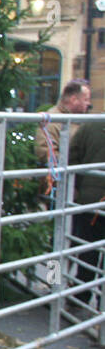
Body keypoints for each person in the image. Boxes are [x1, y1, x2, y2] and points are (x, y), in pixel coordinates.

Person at [66, 118, 105, 316]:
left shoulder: (87, 125)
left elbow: (71, 157)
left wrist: (78, 187)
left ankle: (70, 293)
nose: (87, 103)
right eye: (84, 99)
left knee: (76, 247)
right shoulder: (60, 121)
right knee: (61, 245)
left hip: (80, 198)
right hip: (72, 197)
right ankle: (51, 286)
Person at [35, 79, 91, 168]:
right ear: (74, 99)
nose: (89, 103)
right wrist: (74, 163)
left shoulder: (82, 119)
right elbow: (44, 153)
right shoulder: (51, 120)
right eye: (86, 99)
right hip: (63, 176)